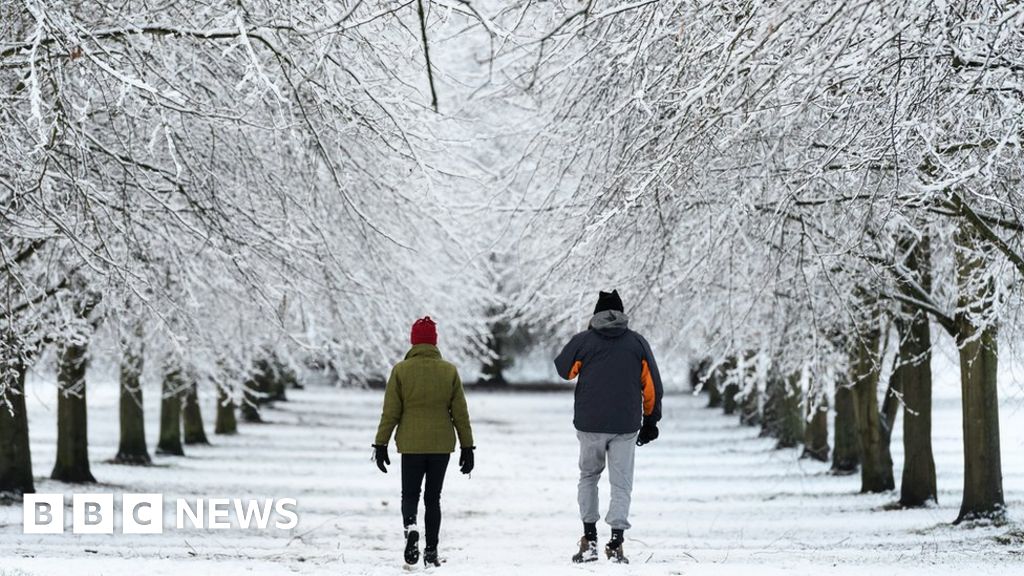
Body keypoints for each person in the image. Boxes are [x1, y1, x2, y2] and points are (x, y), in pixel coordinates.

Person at [554, 290, 663, 564]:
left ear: (595, 314)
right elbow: (652, 385)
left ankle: (589, 539)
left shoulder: (584, 341)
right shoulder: (637, 343)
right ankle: (616, 543)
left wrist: (584, 340)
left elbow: (565, 370)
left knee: (589, 477)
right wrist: (651, 420)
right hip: (625, 425)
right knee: (621, 483)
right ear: (622, 314)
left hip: (590, 423)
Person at [372, 316, 475, 567]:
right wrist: (467, 447)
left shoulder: (401, 370)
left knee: (410, 494)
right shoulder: (449, 371)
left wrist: (381, 444)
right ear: (434, 342)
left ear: (413, 341)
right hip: (441, 445)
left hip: (411, 445)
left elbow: (390, 412)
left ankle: (411, 527)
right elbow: (460, 414)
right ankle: (431, 552)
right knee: (433, 498)